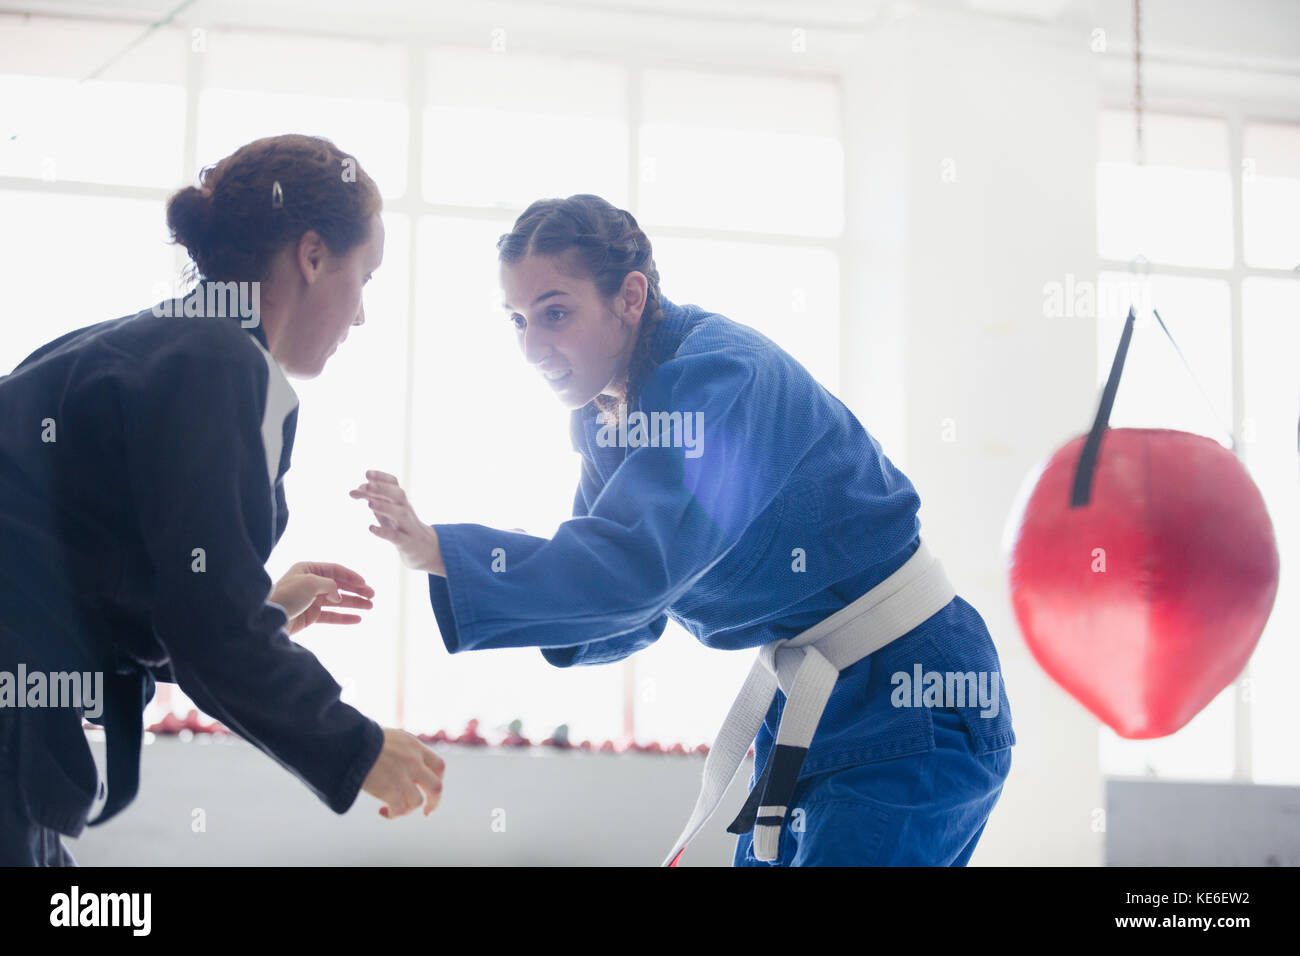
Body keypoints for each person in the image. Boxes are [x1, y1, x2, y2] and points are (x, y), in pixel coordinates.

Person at [351, 193, 1014, 866]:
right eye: (518, 321)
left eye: (555, 314)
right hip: (813, 696)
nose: (533, 347)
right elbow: (625, 615)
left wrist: (446, 552)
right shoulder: (606, 416)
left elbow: (632, 571)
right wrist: (455, 565)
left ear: (630, 297)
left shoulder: (721, 378)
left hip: (911, 689)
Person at [0, 134, 443, 867]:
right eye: (365, 277)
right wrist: (360, 748)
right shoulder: (218, 362)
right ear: (311, 256)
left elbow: (136, 597)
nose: (361, 315)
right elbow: (211, 637)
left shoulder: (145, 346)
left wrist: (254, 608)